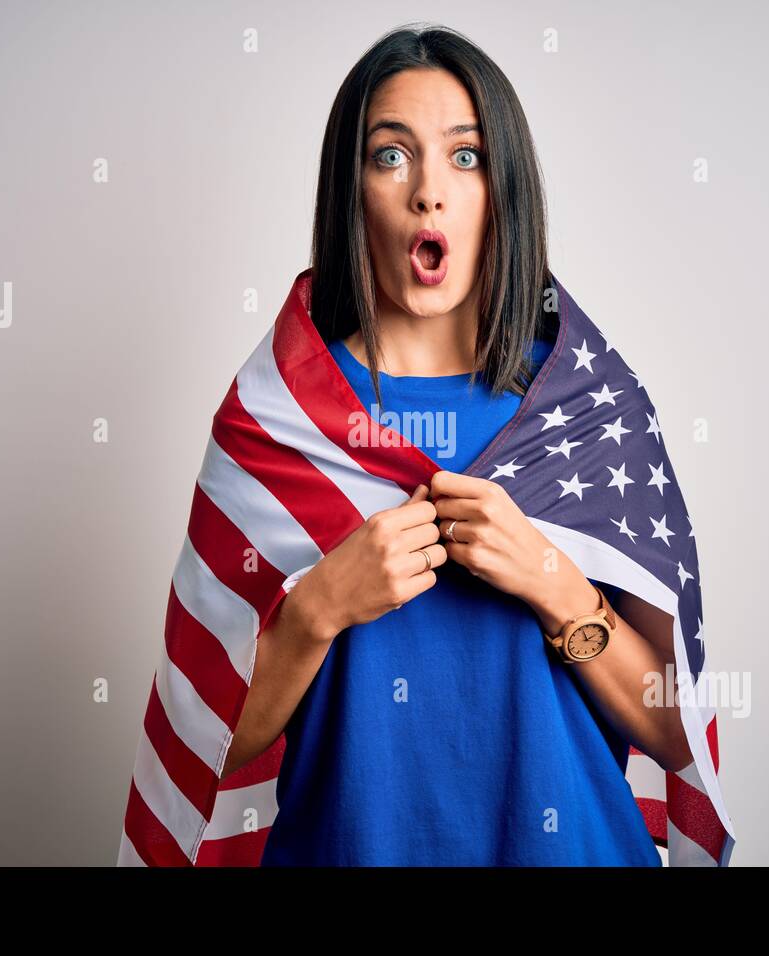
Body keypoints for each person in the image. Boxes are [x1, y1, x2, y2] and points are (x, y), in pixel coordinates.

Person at [215, 24, 694, 866]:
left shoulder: (589, 411)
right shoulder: (279, 420)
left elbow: (675, 725)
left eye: (465, 158)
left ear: (502, 191)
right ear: (350, 190)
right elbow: (208, 741)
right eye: (390, 156)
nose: (428, 191)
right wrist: (321, 606)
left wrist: (555, 584)